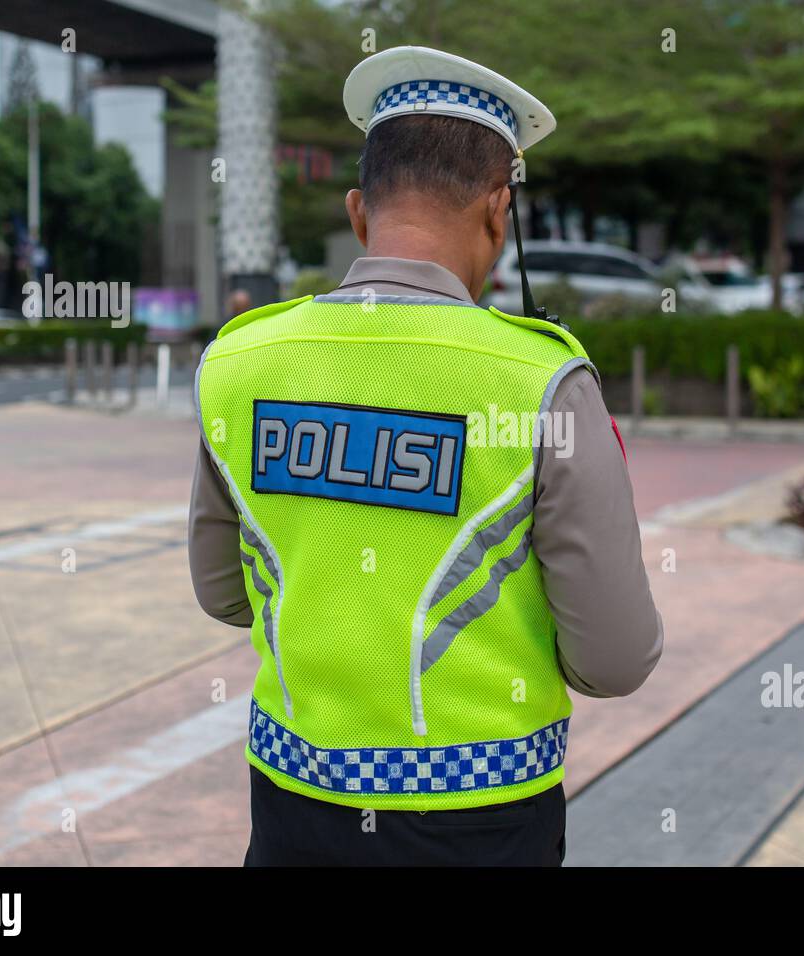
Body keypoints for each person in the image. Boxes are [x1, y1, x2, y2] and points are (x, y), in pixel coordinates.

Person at [188, 46, 662, 867]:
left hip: (292, 807)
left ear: (358, 212)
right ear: (496, 210)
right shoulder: (542, 379)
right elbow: (616, 659)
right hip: (481, 820)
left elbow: (223, 594)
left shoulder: (239, 361)